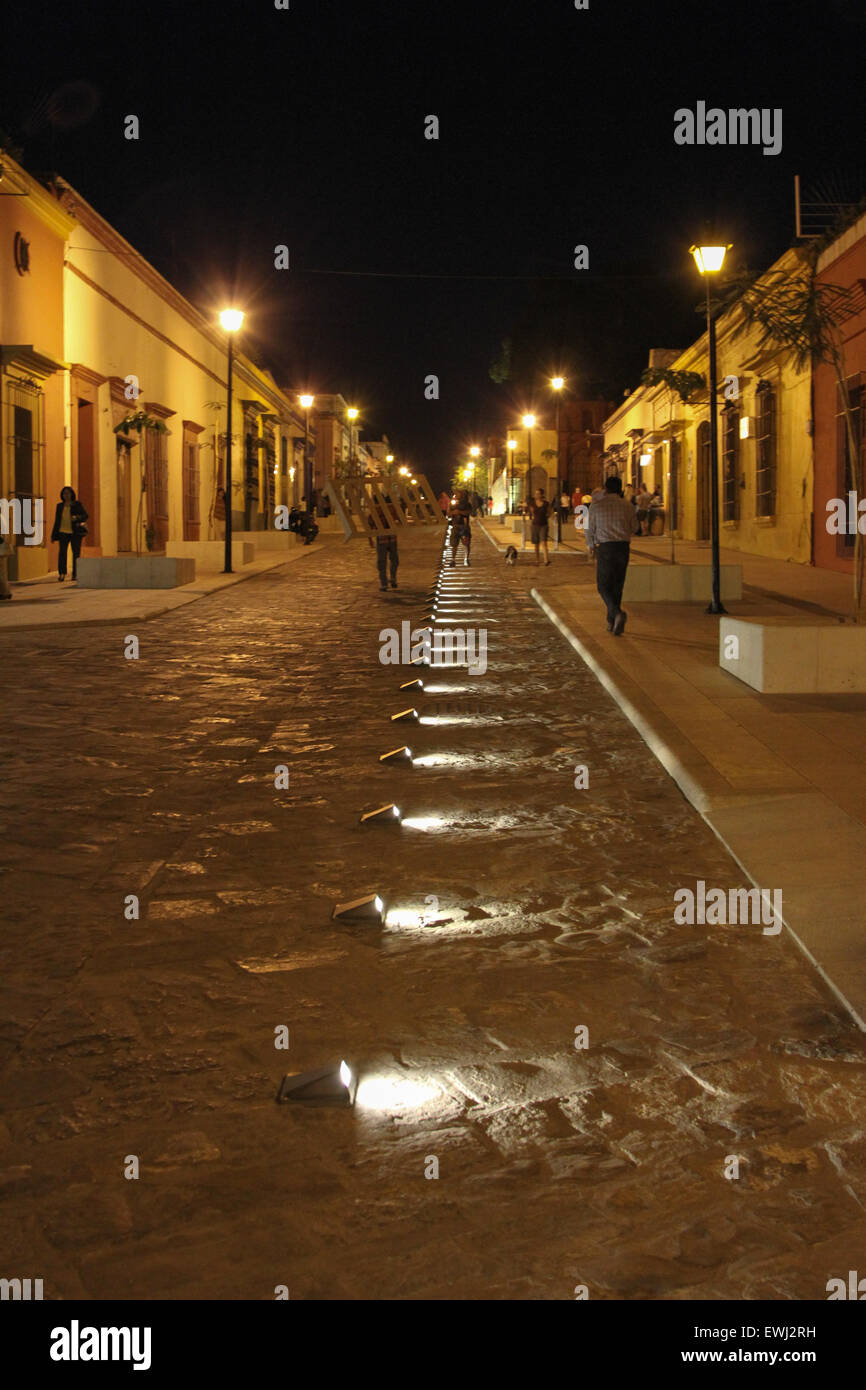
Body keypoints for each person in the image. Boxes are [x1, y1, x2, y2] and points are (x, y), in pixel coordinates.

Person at [586, 475, 640, 635]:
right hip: (623, 547)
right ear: (620, 488)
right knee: (618, 584)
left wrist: (590, 546)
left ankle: (616, 614)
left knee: (603, 585)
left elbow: (589, 529)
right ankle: (611, 622)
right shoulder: (628, 506)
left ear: (606, 489)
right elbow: (635, 528)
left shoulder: (596, 506)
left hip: (605, 548)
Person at [50, 485, 88, 582]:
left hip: (75, 532)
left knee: (76, 553)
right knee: (62, 553)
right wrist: (54, 535)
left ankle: (75, 574)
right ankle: (62, 573)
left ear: (72, 494)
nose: (66, 495)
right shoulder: (60, 506)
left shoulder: (77, 505)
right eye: (64, 493)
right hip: (63, 532)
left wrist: (76, 518)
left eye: (68, 493)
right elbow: (57, 521)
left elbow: (85, 515)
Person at [368, 502, 398, 590]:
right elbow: (369, 528)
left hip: (392, 539)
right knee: (382, 562)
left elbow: (399, 519)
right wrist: (370, 540)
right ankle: (384, 583)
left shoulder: (391, 512)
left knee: (395, 560)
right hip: (382, 540)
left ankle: (393, 578)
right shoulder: (373, 515)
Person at [528, 488, 552, 567]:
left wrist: (546, 517)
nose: (536, 495)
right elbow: (532, 513)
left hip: (543, 525)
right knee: (536, 544)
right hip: (535, 525)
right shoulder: (532, 504)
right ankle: (537, 560)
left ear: (542, 495)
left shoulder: (546, 504)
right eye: (535, 494)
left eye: (538, 494)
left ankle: (546, 560)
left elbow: (549, 512)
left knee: (544, 542)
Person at [448, 490, 472, 566]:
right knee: (454, 544)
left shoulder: (467, 504)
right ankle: (453, 560)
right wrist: (451, 509)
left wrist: (459, 512)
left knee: (466, 543)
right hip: (455, 526)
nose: (456, 495)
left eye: (458, 493)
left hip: (464, 526)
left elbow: (468, 512)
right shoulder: (453, 503)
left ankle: (466, 559)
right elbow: (448, 514)